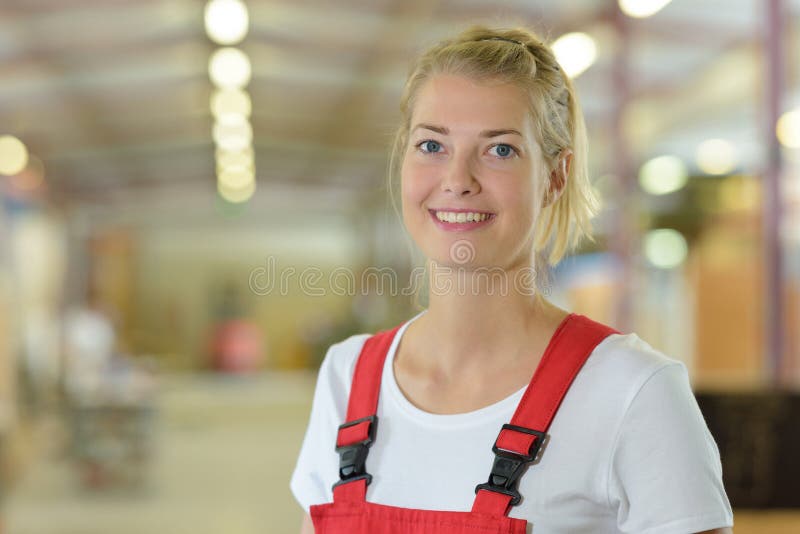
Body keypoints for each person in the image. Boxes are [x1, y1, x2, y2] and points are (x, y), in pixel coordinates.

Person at [290, 25, 734, 534]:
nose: (457, 180)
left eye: (500, 150)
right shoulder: (347, 378)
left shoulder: (633, 392)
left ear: (556, 177)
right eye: (432, 144)